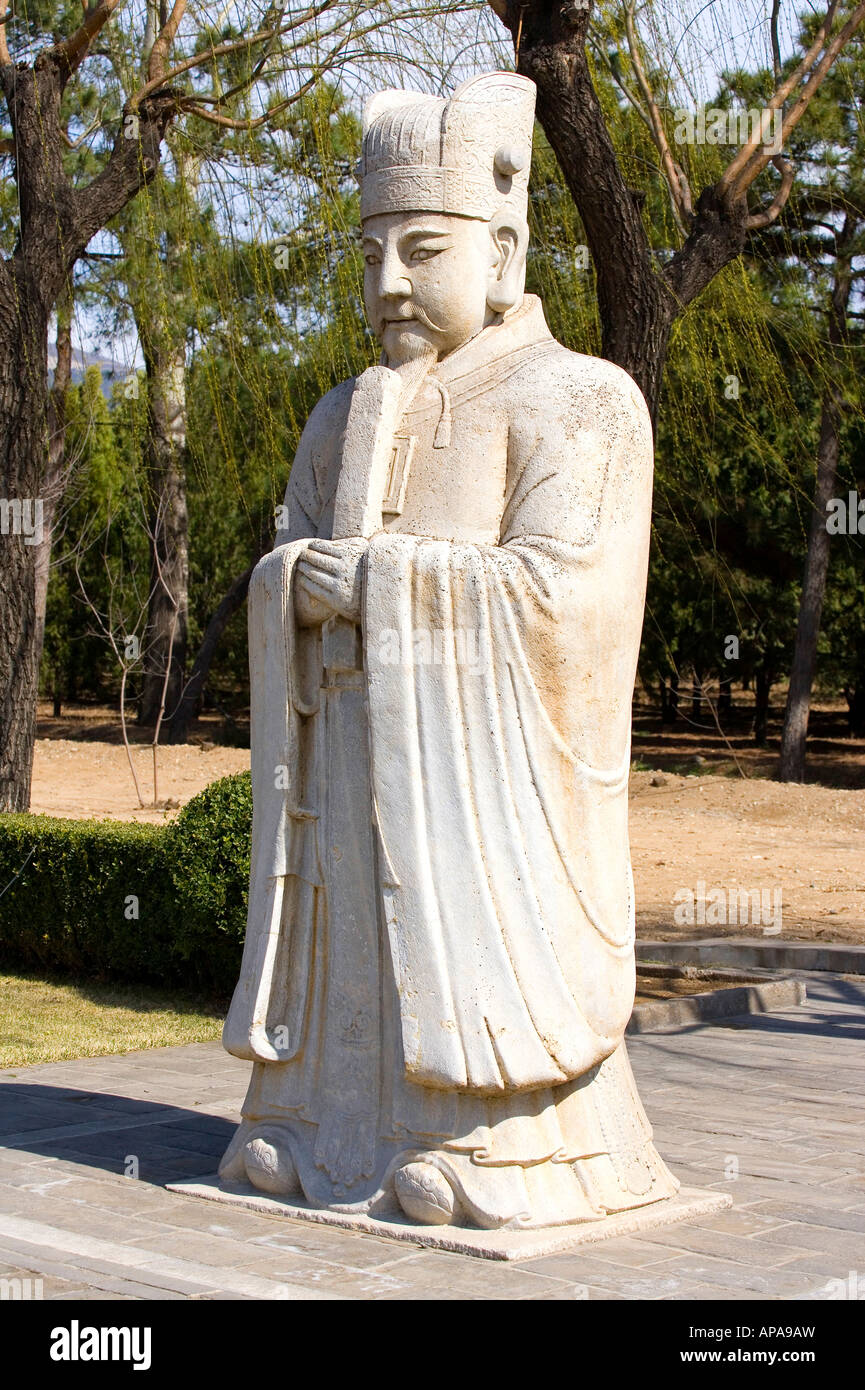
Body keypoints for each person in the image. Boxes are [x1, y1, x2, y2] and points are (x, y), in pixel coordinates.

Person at [218, 71, 678, 1230]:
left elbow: (567, 602)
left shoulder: (582, 402)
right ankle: (314, 1120)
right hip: (344, 756)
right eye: (370, 251)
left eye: (422, 250)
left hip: (478, 794)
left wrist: (384, 582)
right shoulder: (340, 415)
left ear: (503, 249)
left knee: (450, 939)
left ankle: (495, 1140)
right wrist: (296, 588)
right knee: (345, 923)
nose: (388, 282)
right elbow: (281, 563)